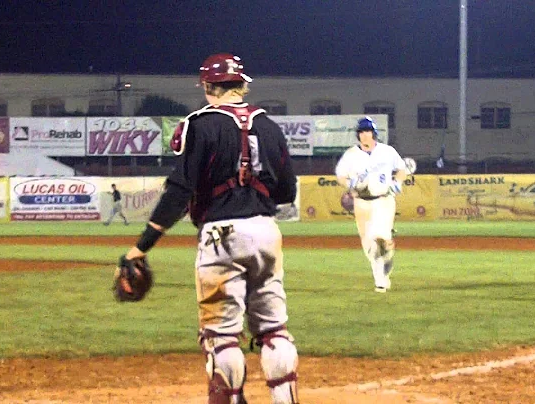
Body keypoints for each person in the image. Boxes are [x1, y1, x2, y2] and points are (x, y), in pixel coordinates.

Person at [121, 53, 299, 403]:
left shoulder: (200, 124)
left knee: (222, 337)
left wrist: (142, 245)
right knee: (274, 331)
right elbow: (287, 192)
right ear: (241, 84)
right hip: (266, 231)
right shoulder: (269, 126)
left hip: (221, 234)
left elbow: (180, 190)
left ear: (206, 86)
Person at [335, 116, 407, 293]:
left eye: (367, 131)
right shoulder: (351, 154)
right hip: (361, 202)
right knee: (370, 246)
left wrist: (397, 183)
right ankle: (380, 279)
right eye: (361, 132)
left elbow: (402, 169)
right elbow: (340, 175)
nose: (364, 135)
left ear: (373, 133)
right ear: (358, 135)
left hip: (383, 200)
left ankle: (387, 260)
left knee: (380, 237)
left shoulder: (387, 151)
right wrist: (348, 184)